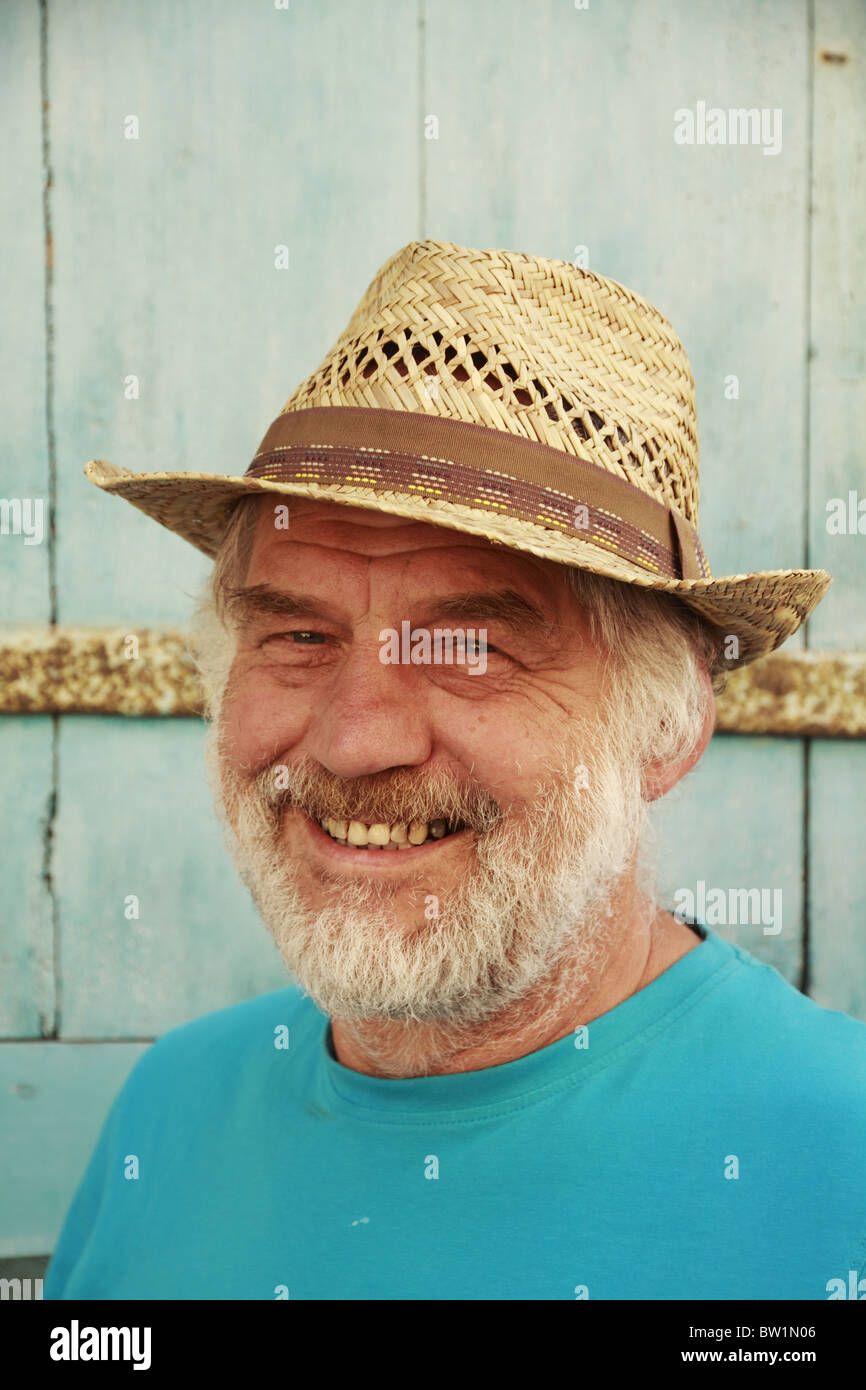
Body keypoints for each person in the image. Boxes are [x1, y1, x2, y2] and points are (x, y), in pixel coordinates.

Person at [45, 240, 866, 1300]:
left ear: (662, 728)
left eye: (469, 646)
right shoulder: (166, 1109)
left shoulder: (836, 1152)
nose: (353, 739)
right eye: (297, 635)